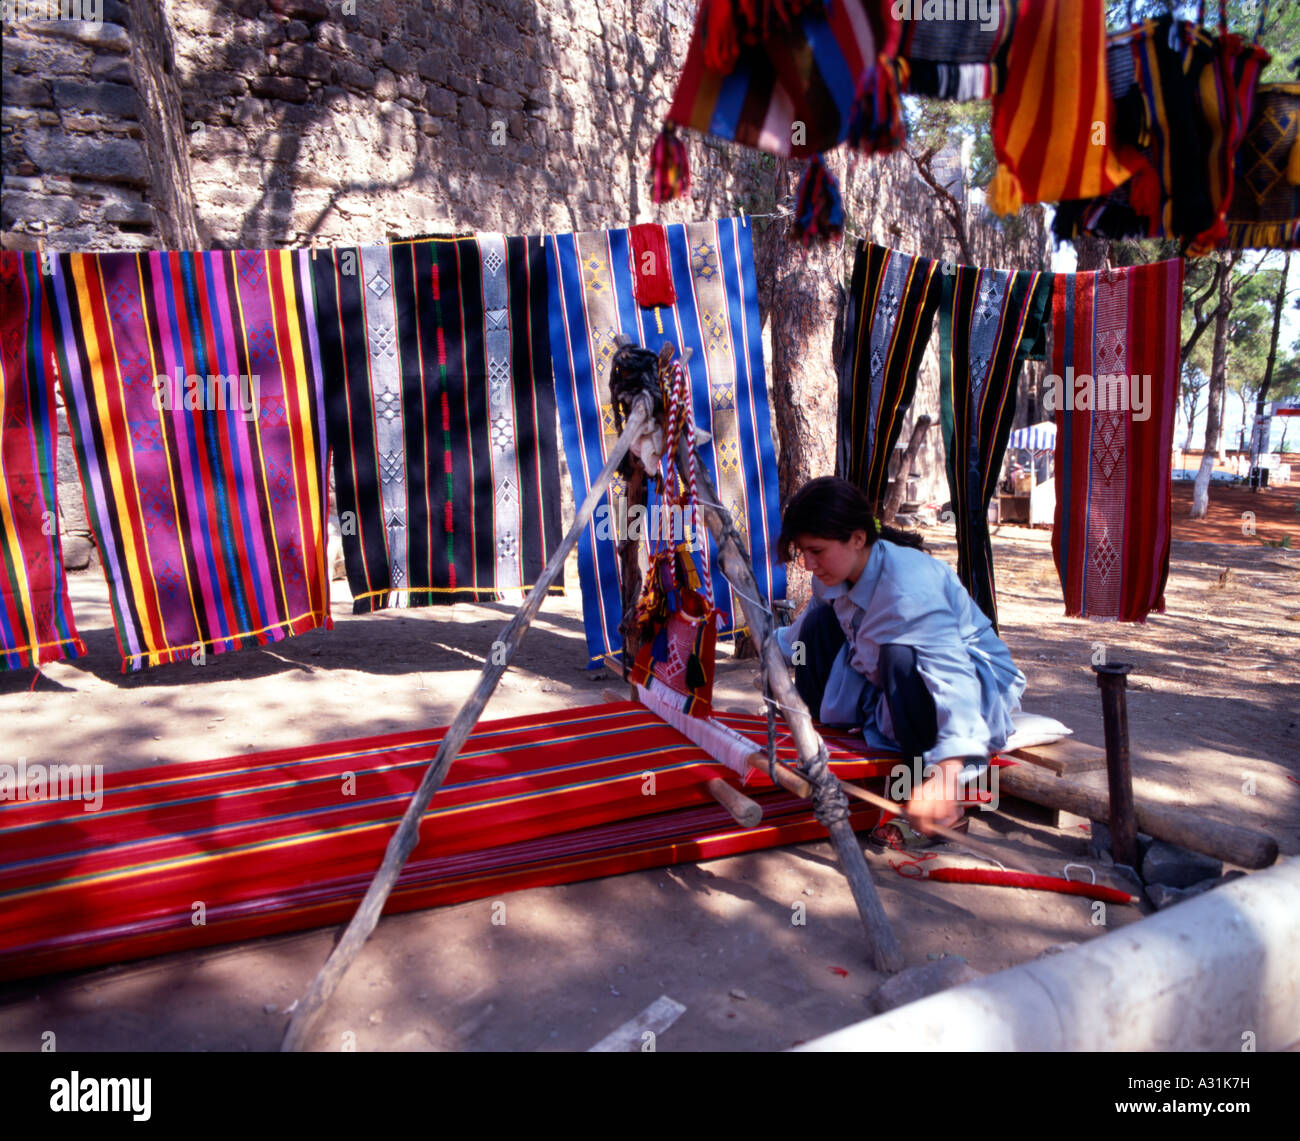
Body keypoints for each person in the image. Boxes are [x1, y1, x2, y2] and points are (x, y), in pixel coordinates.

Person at [774, 477, 1026, 836]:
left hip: (970, 684)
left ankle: (931, 797)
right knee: (817, 623)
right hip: (886, 675)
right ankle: (822, 744)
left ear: (858, 538)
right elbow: (802, 633)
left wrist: (948, 773)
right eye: (803, 552)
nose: (809, 564)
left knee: (898, 656)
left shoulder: (909, 589)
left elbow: (954, 681)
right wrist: (776, 655)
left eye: (817, 550)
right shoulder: (829, 577)